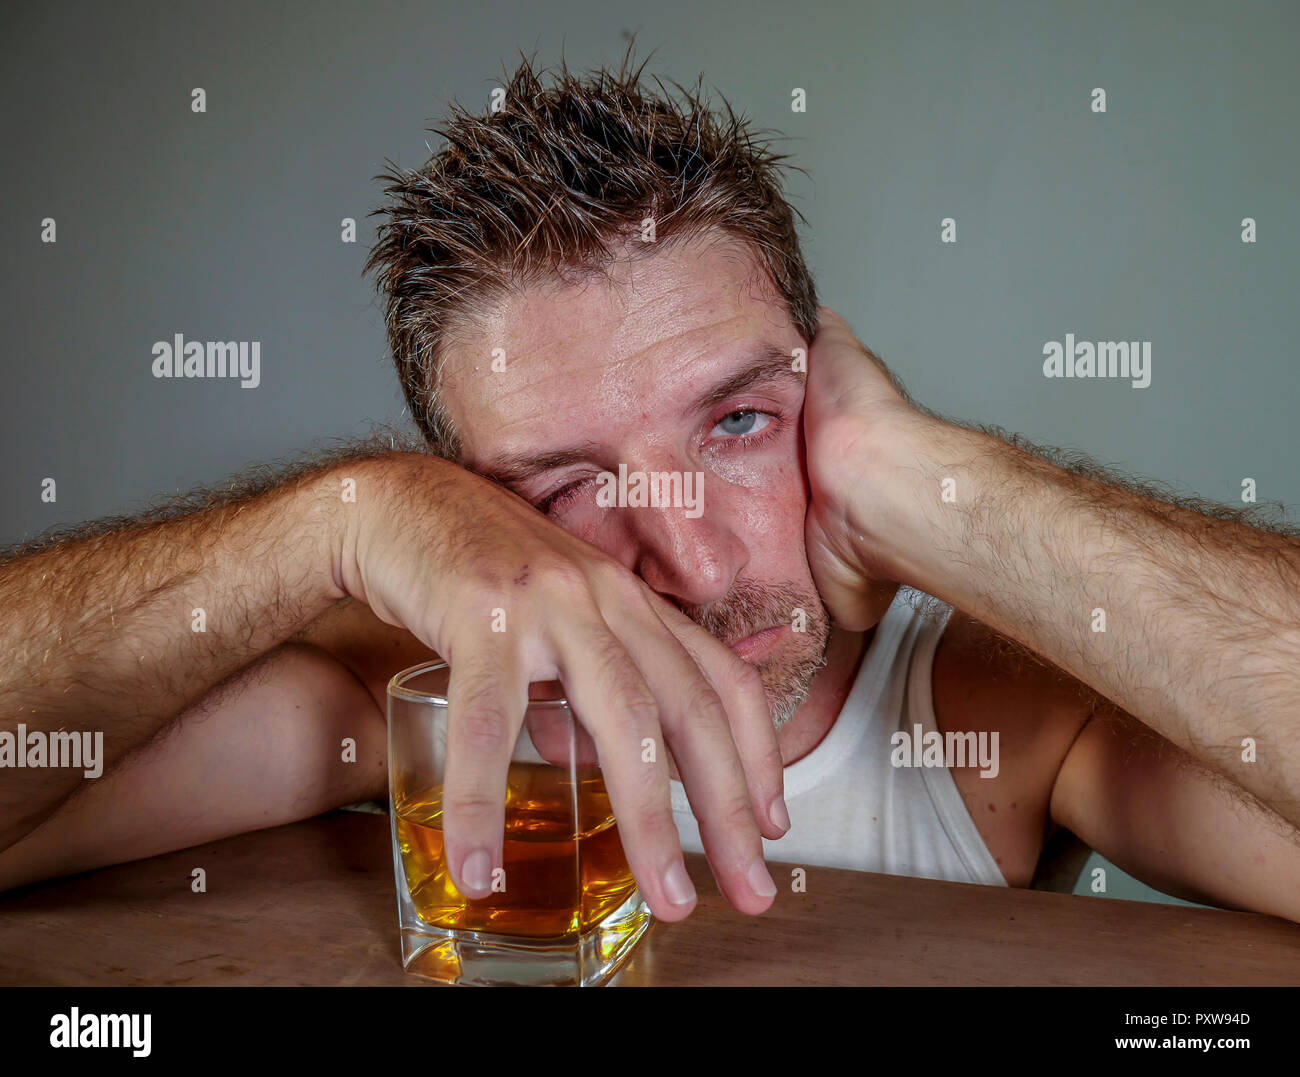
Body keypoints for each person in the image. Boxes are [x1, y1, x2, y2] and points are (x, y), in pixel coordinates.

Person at [2, 51, 1299, 926]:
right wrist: (334, 521)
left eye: (739, 420)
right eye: (563, 484)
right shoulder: (416, 700)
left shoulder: (997, 712)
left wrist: (923, 472)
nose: (689, 560)